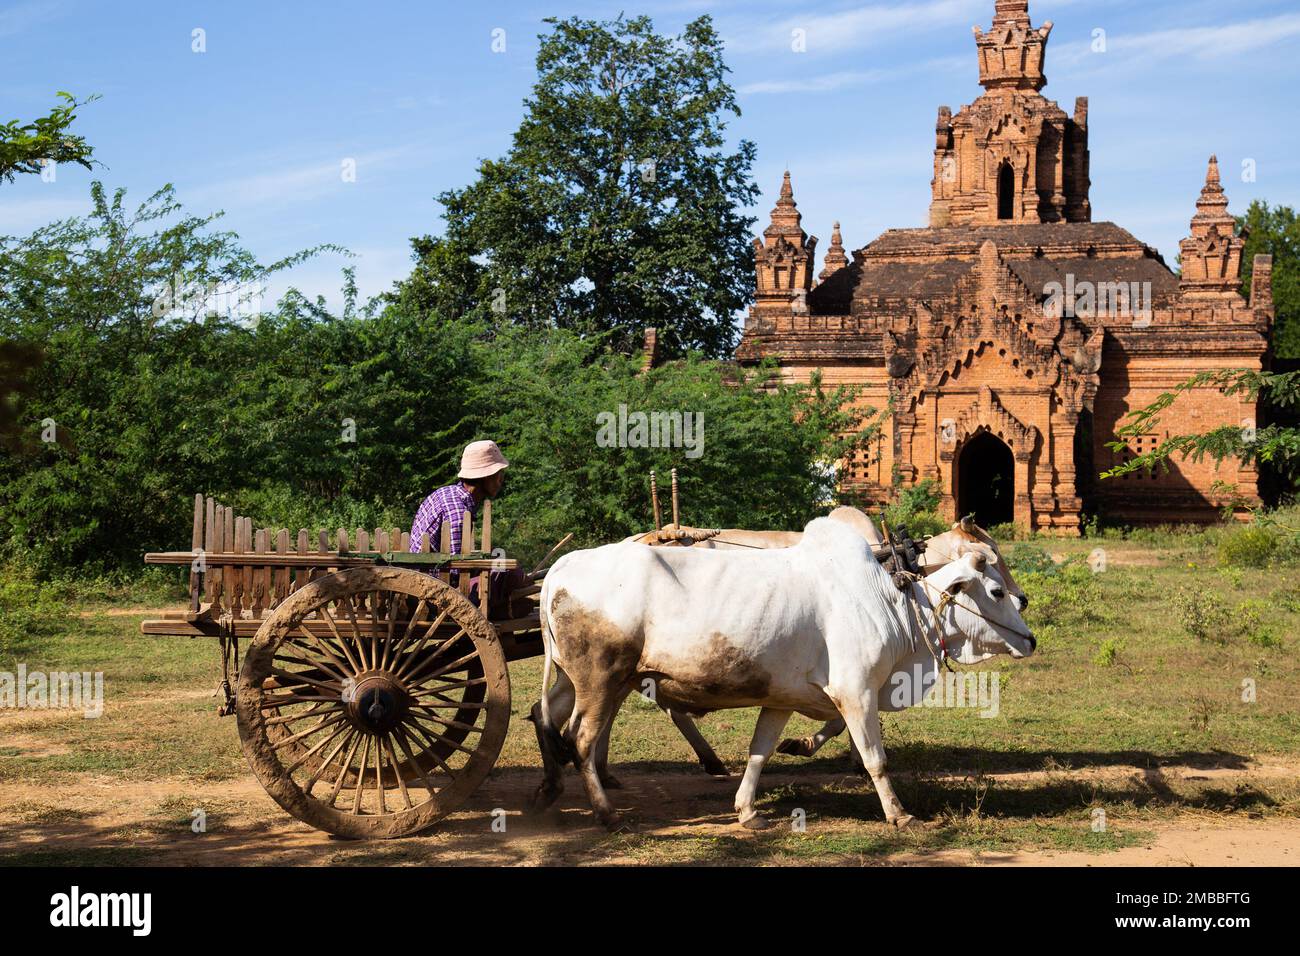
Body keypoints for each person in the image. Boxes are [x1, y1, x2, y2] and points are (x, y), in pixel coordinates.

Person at [409, 440, 525, 617]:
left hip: (425, 579)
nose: (501, 480)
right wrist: (491, 567)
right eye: (498, 474)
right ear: (484, 477)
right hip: (435, 592)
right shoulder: (458, 511)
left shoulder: (447, 493)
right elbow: (456, 571)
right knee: (510, 573)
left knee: (502, 564)